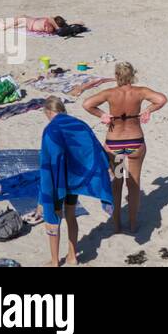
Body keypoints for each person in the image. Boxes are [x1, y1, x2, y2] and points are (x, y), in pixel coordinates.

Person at [81, 65, 167, 235]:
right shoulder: (140, 91)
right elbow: (161, 99)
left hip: (115, 147)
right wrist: (148, 110)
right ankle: (133, 224)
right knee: (134, 184)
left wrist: (102, 115)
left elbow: (87, 104)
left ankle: (117, 225)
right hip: (135, 144)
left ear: (116, 76)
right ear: (133, 75)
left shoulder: (110, 93)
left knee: (117, 184)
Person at [39, 95, 115, 264]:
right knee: (71, 215)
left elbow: (47, 162)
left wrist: (43, 194)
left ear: (48, 111)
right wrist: (104, 169)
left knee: (53, 218)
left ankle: (54, 262)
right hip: (75, 179)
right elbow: (94, 148)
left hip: (59, 181)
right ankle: (72, 257)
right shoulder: (80, 124)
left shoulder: (51, 129)